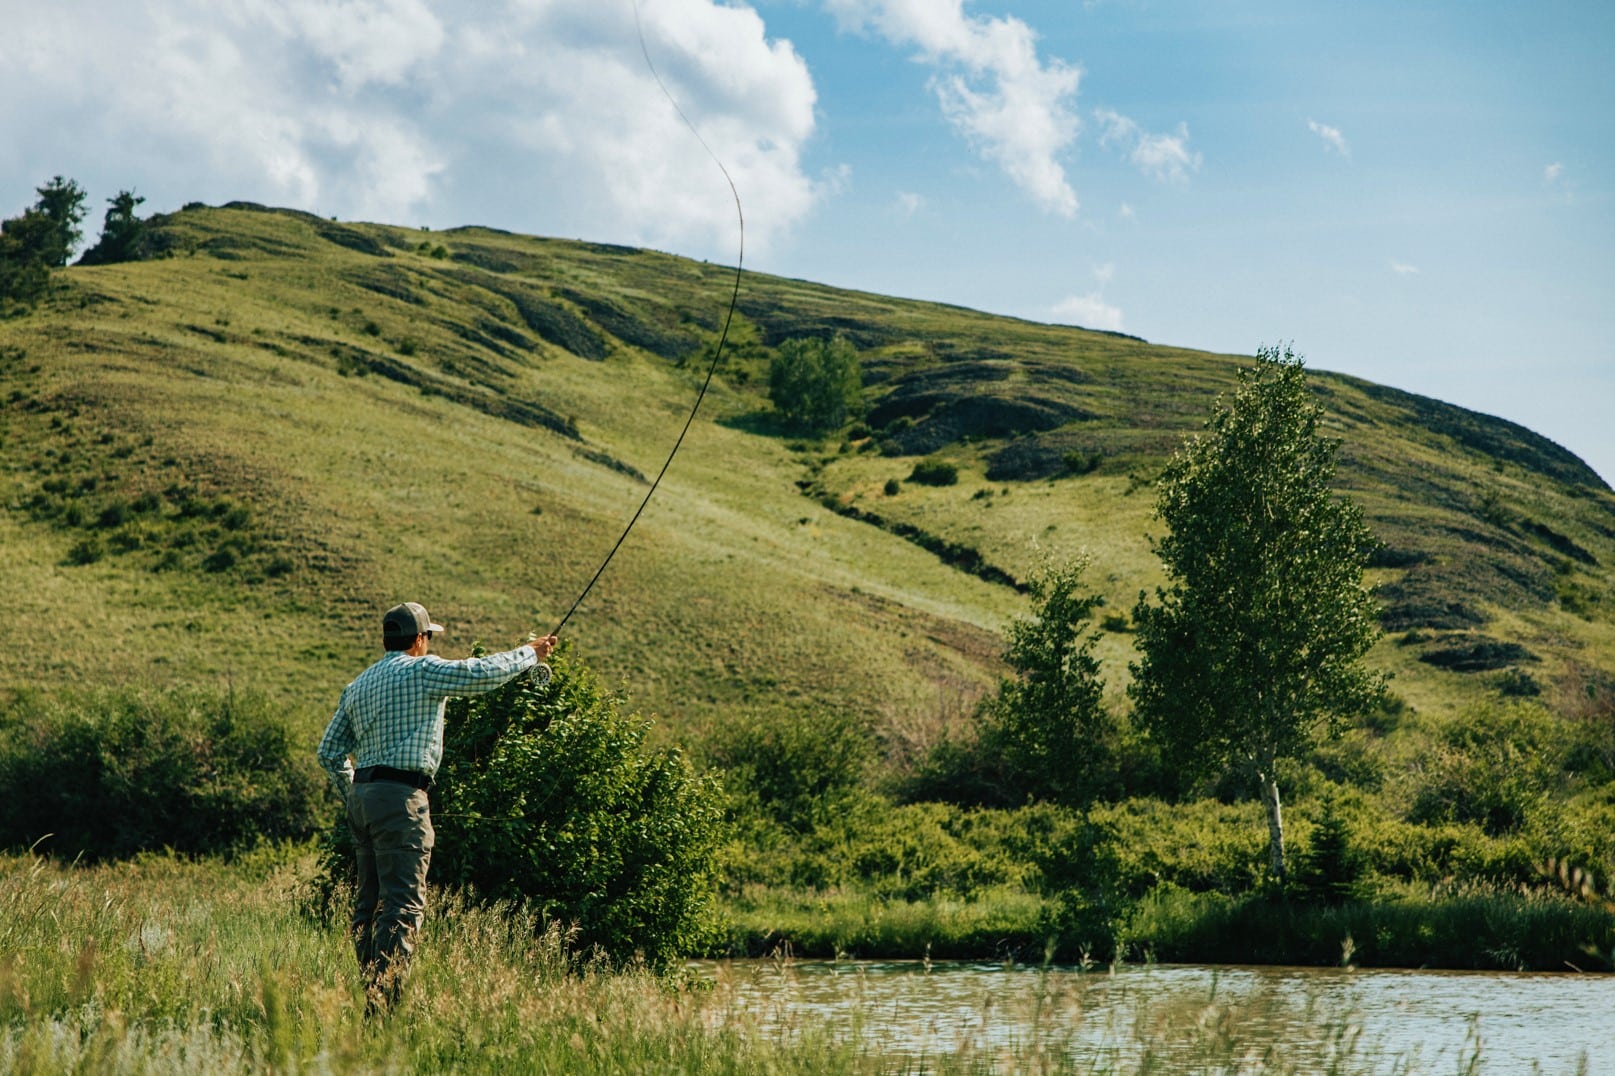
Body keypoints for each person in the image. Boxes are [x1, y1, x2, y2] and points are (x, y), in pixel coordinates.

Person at [317, 600, 558, 1013]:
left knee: (368, 905)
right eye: (429, 637)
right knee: (401, 907)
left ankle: (371, 997)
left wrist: (355, 790)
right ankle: (384, 1011)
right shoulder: (423, 670)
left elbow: (328, 752)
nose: (429, 645)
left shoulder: (357, 685)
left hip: (363, 800)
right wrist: (529, 653)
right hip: (402, 798)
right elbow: (480, 674)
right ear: (418, 639)